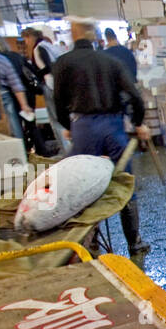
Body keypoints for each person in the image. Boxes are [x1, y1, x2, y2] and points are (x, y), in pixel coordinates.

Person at [51, 17, 150, 264]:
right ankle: (135, 241)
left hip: (83, 127)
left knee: (84, 187)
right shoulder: (111, 61)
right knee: (125, 184)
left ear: (73, 34)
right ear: (94, 36)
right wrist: (138, 123)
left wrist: (69, 127)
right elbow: (135, 96)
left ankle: (90, 244)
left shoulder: (63, 63)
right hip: (114, 127)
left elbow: (58, 102)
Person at [0, 30, 37, 146]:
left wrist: (24, 104)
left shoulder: (1, 60)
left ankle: (17, 156)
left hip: (3, 96)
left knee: (13, 131)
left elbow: (15, 83)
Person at [22, 27, 68, 157]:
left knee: (56, 120)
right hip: (60, 86)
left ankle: (66, 151)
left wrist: (37, 73)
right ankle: (67, 149)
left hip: (50, 86)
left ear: (30, 37)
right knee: (63, 118)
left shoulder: (38, 49)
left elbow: (47, 68)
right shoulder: (49, 46)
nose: (25, 42)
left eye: (25, 39)